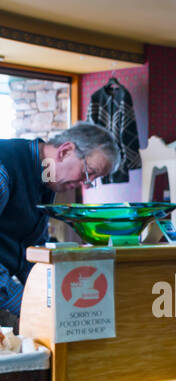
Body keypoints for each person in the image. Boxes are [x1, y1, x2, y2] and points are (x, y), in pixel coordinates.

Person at [0, 122, 119, 323]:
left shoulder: (45, 180)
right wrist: (31, 305)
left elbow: (31, 254)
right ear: (65, 151)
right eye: (87, 173)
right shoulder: (4, 170)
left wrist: (57, 299)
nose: (86, 184)